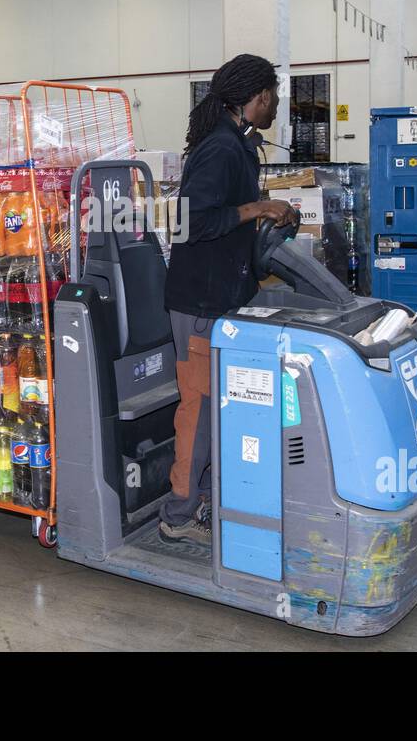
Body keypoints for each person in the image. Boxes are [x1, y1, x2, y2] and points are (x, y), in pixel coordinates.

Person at [159, 53, 299, 545]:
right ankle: (178, 514)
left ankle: (207, 499)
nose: (277, 104)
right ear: (257, 97)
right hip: (200, 303)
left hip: (224, 297)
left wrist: (262, 222)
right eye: (274, 96)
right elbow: (191, 221)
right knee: (197, 412)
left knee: (217, 409)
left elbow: (226, 218)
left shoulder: (235, 145)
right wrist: (257, 207)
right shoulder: (220, 148)